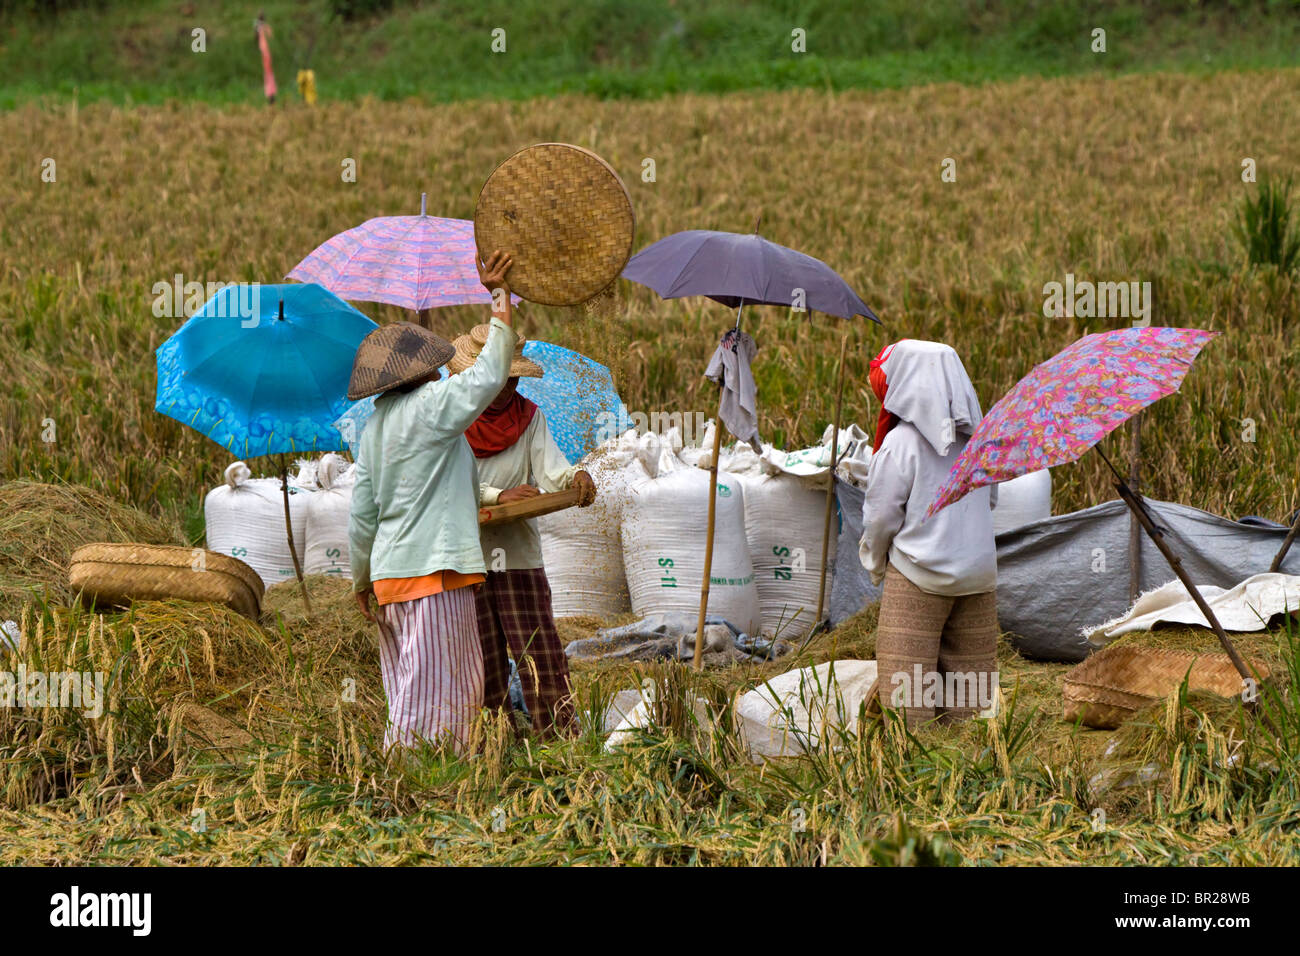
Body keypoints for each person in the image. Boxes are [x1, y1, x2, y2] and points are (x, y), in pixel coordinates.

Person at [347, 250, 517, 753]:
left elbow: (362, 516)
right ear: (425, 371)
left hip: (390, 579)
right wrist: (499, 296)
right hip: (434, 578)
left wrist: (360, 580)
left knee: (409, 686)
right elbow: (490, 374)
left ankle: (414, 782)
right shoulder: (433, 407)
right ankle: (413, 782)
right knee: (441, 697)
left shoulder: (373, 429)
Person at [446, 325, 596, 736]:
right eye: (500, 378)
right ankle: (493, 746)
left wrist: (576, 477)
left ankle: (560, 740)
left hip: (517, 556)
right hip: (466, 556)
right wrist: (498, 496)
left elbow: (553, 471)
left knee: (539, 654)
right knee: (482, 661)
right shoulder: (450, 422)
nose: (507, 387)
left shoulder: (529, 418)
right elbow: (446, 483)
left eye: (512, 379)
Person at [860, 339, 999, 727]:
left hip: (920, 577)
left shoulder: (902, 444)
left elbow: (880, 517)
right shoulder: (981, 443)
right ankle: (971, 773)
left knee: (908, 695)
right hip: (978, 576)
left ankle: (915, 772)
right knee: (971, 698)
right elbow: (990, 503)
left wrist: (874, 562)